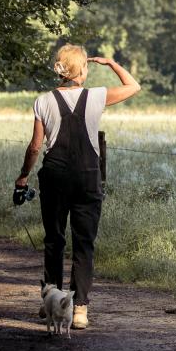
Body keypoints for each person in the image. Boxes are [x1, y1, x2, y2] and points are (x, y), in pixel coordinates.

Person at [15, 44, 141, 329]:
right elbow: (133, 86)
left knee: (54, 240)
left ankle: (51, 301)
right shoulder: (96, 96)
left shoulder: (43, 101)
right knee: (84, 242)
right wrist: (110, 63)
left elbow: (36, 146)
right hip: (87, 177)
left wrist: (23, 176)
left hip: (55, 176)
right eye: (86, 66)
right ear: (81, 70)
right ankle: (80, 309)